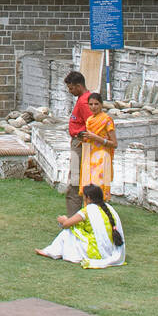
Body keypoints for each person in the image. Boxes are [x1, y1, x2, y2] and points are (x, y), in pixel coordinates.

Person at [37, 183, 125, 268]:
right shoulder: (109, 208)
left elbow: (66, 224)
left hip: (96, 251)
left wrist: (63, 220)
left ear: (88, 198)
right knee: (75, 228)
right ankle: (54, 251)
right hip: (110, 250)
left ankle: (52, 252)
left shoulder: (88, 210)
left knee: (69, 231)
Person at [63, 70, 93, 215]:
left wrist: (82, 138)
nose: (70, 91)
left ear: (79, 86)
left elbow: (92, 125)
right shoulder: (84, 98)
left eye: (71, 88)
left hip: (81, 143)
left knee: (75, 181)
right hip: (79, 142)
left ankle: (73, 217)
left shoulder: (84, 101)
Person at [80, 92, 117, 200]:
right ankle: (88, 214)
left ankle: (100, 214)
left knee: (98, 188)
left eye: (96, 104)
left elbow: (114, 144)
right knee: (88, 188)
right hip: (89, 157)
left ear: (101, 104)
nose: (93, 107)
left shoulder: (107, 120)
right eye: (90, 104)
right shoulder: (89, 120)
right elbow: (89, 140)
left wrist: (96, 138)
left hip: (102, 157)